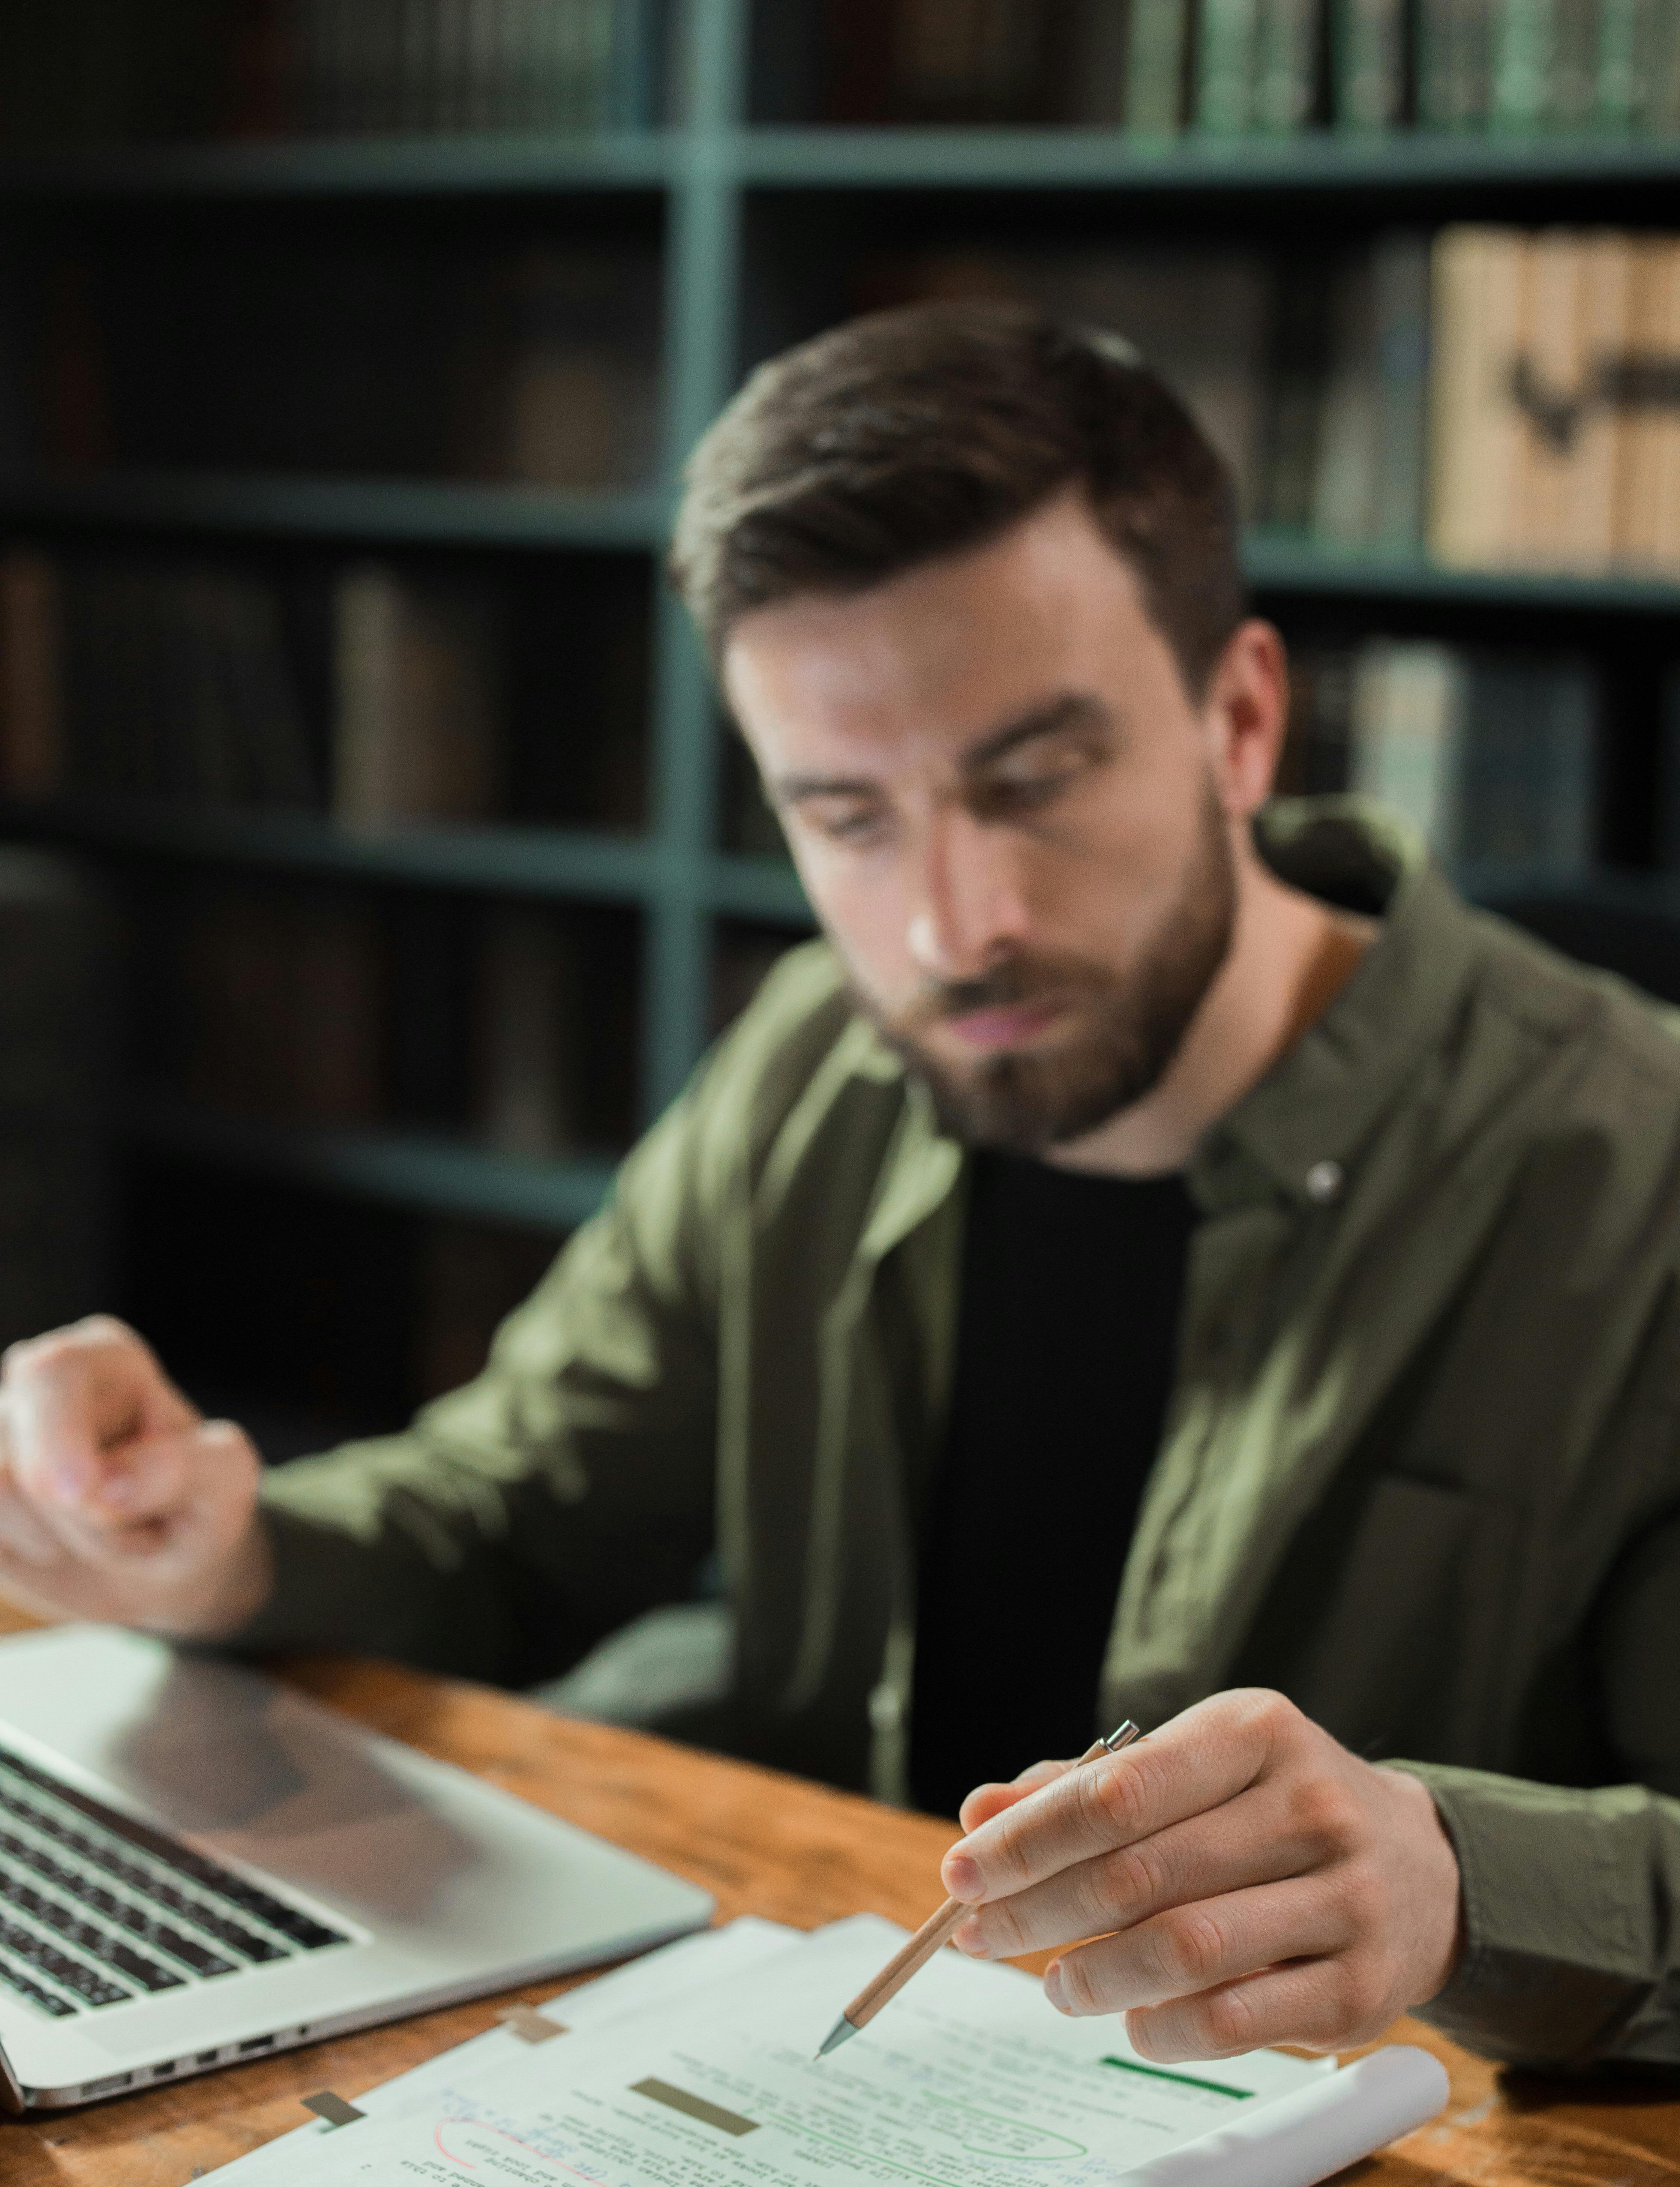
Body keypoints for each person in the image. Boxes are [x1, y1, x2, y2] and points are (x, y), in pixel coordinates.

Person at [3, 305, 1679, 2075]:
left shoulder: (1634, 1174)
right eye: (845, 817)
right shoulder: (822, 1057)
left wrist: (1447, 1876)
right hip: (840, 2112)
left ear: (1242, 719)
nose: (953, 927)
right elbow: (516, 1514)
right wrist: (208, 1538)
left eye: (1032, 778)